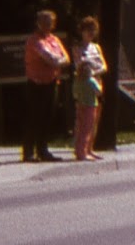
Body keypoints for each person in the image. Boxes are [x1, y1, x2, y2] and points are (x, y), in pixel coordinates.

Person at [22, 9, 70, 163]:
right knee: (35, 117)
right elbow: (50, 59)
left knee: (47, 117)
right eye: (44, 22)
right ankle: (28, 152)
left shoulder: (54, 40)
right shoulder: (34, 41)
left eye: (50, 23)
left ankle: (43, 150)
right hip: (36, 84)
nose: (48, 25)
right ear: (38, 23)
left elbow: (66, 58)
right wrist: (57, 61)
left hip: (52, 82)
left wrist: (57, 61)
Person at [71, 15, 107, 161]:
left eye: (93, 29)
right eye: (88, 29)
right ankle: (80, 149)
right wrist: (88, 71)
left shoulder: (96, 47)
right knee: (83, 119)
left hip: (97, 83)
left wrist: (94, 71)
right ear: (82, 31)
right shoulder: (77, 47)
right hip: (84, 85)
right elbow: (79, 65)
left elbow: (104, 66)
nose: (91, 32)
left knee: (95, 119)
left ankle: (90, 148)